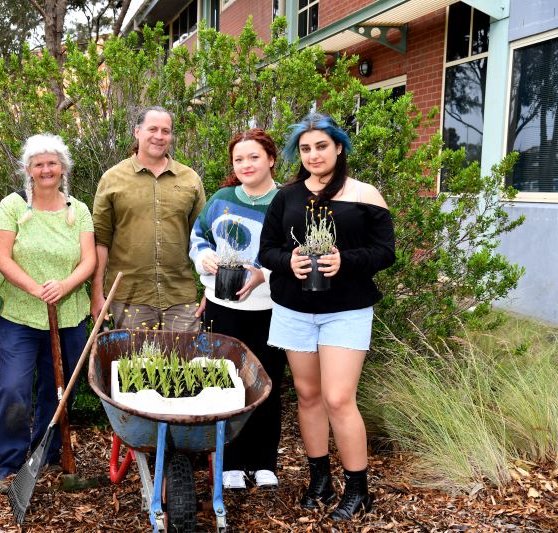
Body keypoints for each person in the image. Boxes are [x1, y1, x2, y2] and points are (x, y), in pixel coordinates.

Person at [258, 113, 395, 521]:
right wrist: (289, 262)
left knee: (338, 398)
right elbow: (266, 250)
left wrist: (344, 261)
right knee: (308, 395)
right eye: (305, 148)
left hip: (346, 311)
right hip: (293, 310)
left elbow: (386, 252)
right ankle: (320, 479)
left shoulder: (365, 194)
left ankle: (358, 488)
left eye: (321, 146)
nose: (313, 155)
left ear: (339, 147)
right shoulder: (287, 196)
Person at [0, 134, 95, 493]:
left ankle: (42, 455)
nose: (46, 169)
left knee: (60, 390)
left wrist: (64, 287)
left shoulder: (77, 210)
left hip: (69, 315)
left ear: (63, 168)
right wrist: (36, 289)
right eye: (38, 164)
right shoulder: (13, 206)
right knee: (15, 387)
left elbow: (89, 260)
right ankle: (5, 465)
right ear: (28, 170)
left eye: (52, 163)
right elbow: (1, 256)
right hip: (19, 315)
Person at [189, 129, 287, 489]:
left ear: (271, 159)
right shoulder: (222, 198)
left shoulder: (287, 201)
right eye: (239, 159)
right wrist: (204, 255)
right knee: (223, 382)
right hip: (221, 307)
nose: (246, 165)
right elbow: (198, 236)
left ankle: (263, 462)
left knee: (266, 383)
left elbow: (296, 251)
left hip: (270, 310)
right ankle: (229, 462)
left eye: (254, 157)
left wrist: (264, 273)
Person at [91, 106, 206, 332]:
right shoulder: (112, 179)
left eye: (166, 131)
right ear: (137, 132)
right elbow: (100, 241)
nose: (159, 136)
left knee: (186, 365)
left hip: (180, 298)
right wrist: (97, 294)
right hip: (129, 299)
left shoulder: (190, 179)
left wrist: (211, 292)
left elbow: (204, 240)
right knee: (134, 366)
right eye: (152, 129)